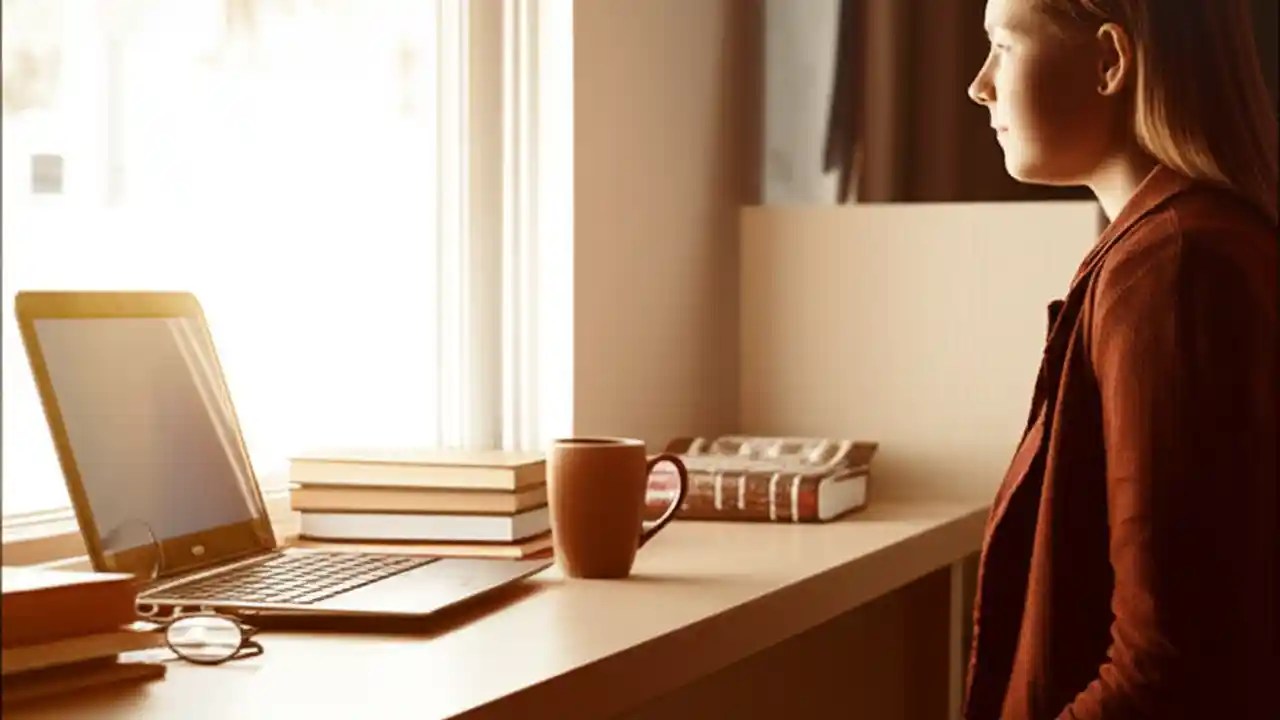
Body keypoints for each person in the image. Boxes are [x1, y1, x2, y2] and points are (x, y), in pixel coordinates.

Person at [963, 0, 1277, 718]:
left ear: (1110, 60)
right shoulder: (1175, 250)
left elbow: (1167, 666)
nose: (980, 85)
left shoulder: (1176, 270)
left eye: (1003, 47)